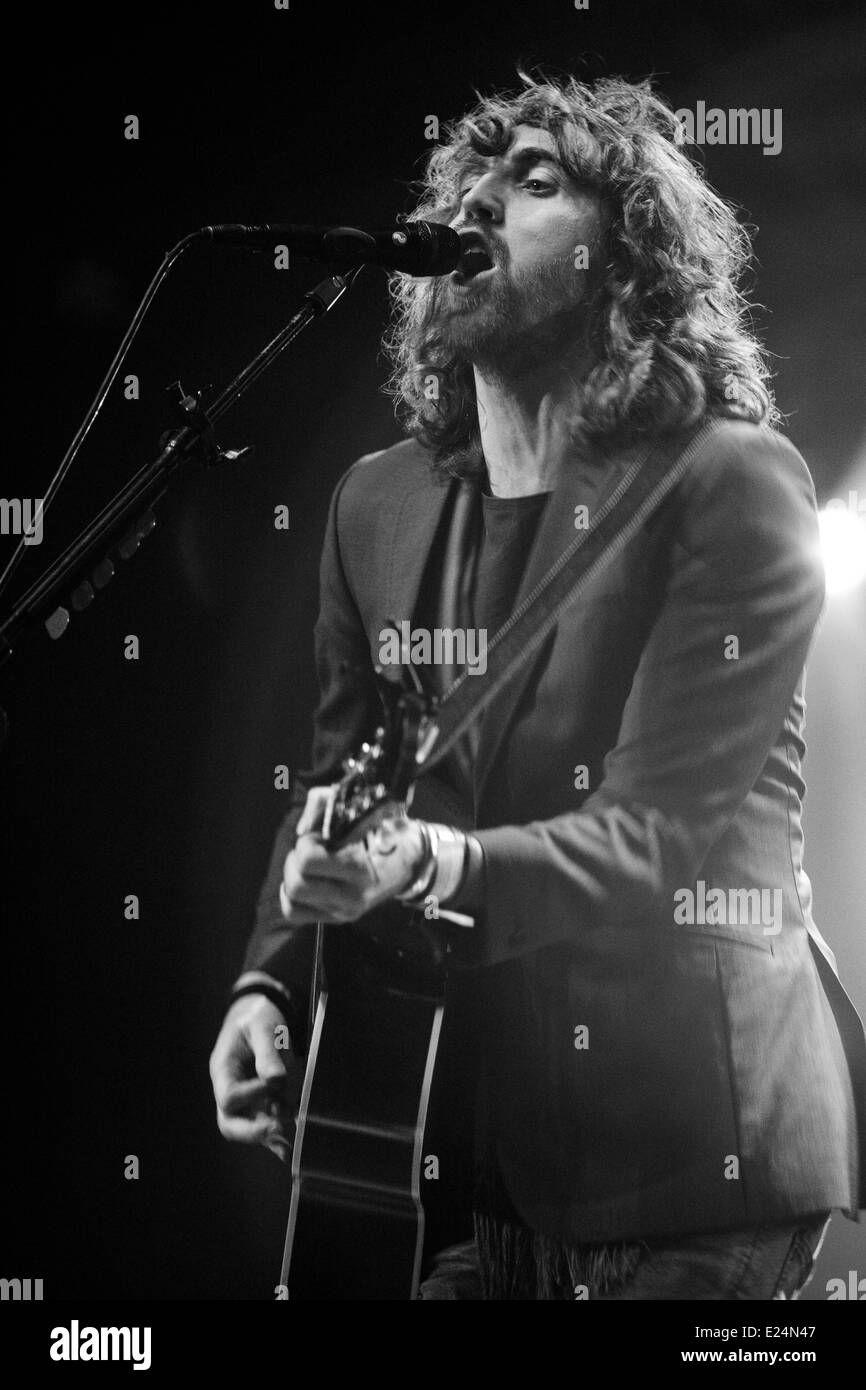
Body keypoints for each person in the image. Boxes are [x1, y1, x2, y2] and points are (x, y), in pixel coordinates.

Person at [209, 72, 865, 1299]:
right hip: (465, 1154)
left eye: (536, 179)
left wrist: (425, 868)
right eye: (471, 178)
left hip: (693, 1167)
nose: (479, 200)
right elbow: (340, 771)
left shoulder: (727, 481)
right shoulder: (377, 506)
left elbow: (653, 837)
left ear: (625, 261)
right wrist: (271, 975)